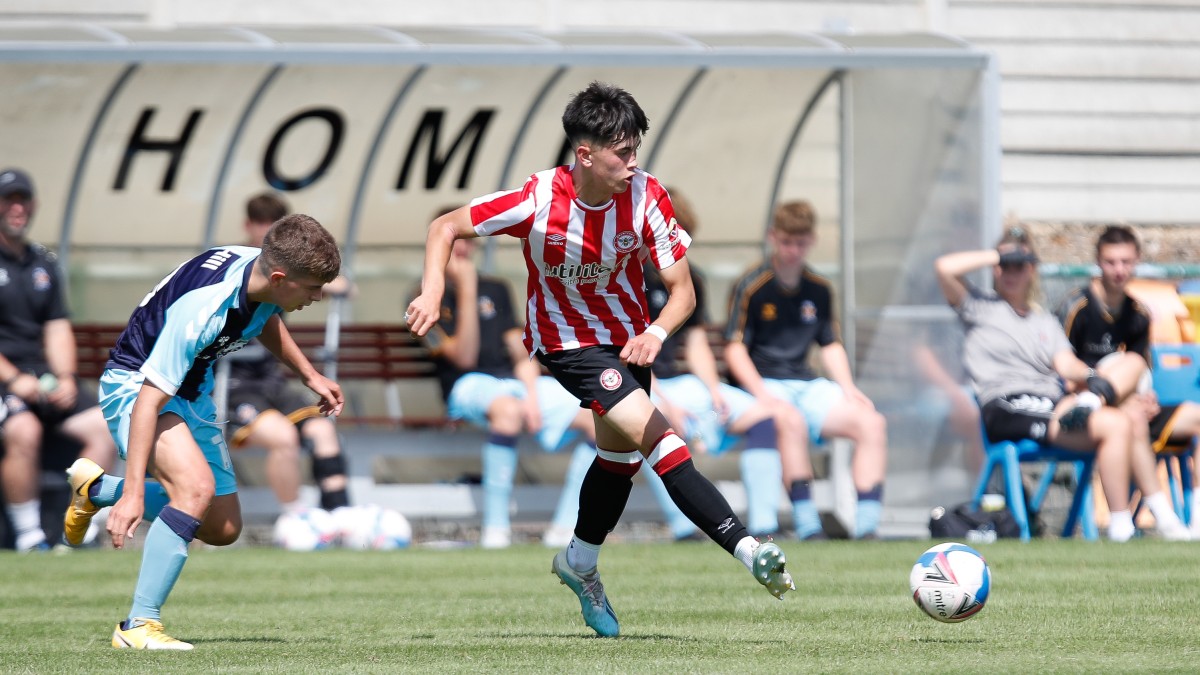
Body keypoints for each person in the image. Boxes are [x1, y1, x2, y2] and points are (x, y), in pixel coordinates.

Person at [405, 81, 794, 638]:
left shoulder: (648, 197)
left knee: (620, 462)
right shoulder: (538, 199)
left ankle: (579, 564)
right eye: (623, 152)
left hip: (631, 339)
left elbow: (682, 292)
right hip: (565, 343)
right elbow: (444, 226)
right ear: (585, 154)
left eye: (636, 149)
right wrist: (433, 289)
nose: (634, 162)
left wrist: (657, 332)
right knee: (661, 437)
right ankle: (748, 547)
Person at [61, 214, 343, 649]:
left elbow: (264, 314)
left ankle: (97, 490)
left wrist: (309, 374)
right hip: (136, 388)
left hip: (190, 391)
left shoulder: (262, 272)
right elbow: (148, 402)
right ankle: (137, 625)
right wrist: (135, 491)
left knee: (222, 527)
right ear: (282, 277)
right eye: (312, 288)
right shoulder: (205, 307)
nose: (319, 296)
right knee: (194, 490)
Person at [934, 226, 1188, 542]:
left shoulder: (1043, 321)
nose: (1011, 271)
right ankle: (1131, 521)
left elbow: (1066, 364)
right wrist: (1000, 254)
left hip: (1051, 401)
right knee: (1111, 417)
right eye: (1005, 265)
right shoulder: (979, 307)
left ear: (1032, 270)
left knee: (1119, 422)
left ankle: (1121, 526)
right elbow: (943, 268)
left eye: (1019, 265)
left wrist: (1094, 378)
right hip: (1008, 404)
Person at [645, 188, 813, 539]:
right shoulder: (623, 278)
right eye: (672, 237)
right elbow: (623, 351)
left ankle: (765, 525)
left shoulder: (691, 279)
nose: (678, 247)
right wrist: (665, 403)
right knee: (647, 424)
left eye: (682, 238)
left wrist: (713, 390)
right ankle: (684, 530)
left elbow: (695, 342)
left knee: (764, 416)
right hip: (638, 384)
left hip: (680, 382)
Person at [724, 200, 889, 540]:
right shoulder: (752, 285)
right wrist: (763, 395)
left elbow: (829, 344)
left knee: (871, 421)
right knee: (789, 419)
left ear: (811, 240)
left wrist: (849, 388)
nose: (793, 250)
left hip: (808, 384)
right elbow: (734, 348)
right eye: (787, 242)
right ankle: (808, 525)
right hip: (765, 384)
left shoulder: (819, 288)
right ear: (773, 237)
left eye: (800, 243)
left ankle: (868, 529)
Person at [0, 167, 116, 551]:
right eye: (9, 200)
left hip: (44, 379)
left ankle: (78, 530)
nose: (17, 208)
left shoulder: (42, 262)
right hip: (6, 383)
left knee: (105, 426)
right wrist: (14, 380)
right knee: (23, 431)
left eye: (23, 200)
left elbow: (57, 327)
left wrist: (66, 377)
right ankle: (30, 535)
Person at [1058, 225, 1198, 538]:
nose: (1119, 270)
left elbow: (1141, 372)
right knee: (1130, 408)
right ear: (1098, 262)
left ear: (1136, 261)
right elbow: (1062, 371)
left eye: (1125, 262)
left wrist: (1146, 398)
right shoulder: (1076, 308)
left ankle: (1195, 522)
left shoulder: (1138, 314)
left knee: (1152, 396)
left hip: (1126, 402)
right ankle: (1162, 517)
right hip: (1082, 407)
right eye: (1111, 262)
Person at [221, 192, 352, 517]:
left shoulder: (289, 270)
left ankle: (339, 516)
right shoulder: (238, 269)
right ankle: (296, 521)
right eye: (260, 224)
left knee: (323, 429)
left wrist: (314, 281)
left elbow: (345, 286)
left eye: (273, 225)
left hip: (270, 380)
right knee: (282, 437)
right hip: (231, 384)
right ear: (247, 225)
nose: (265, 233)